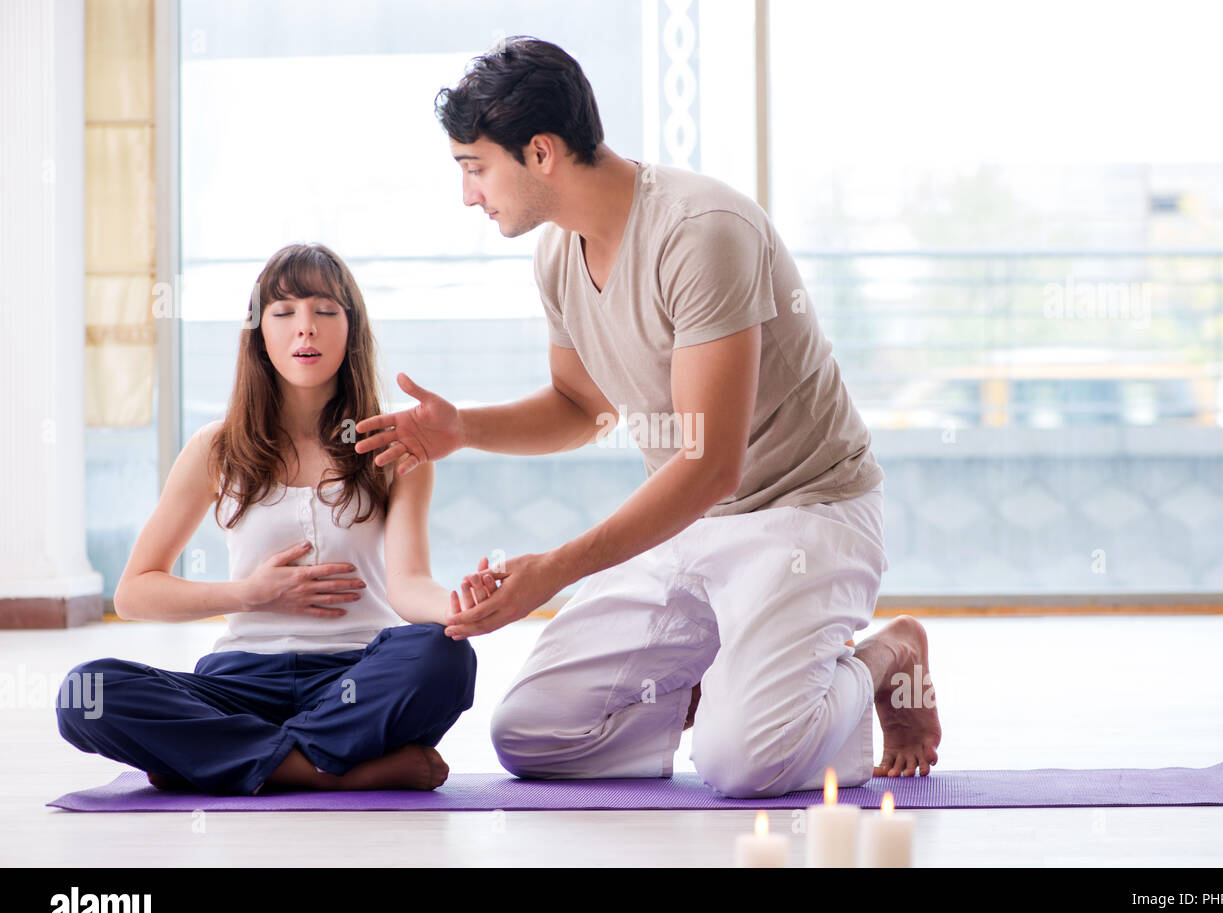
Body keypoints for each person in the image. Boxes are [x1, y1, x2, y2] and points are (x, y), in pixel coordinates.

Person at [355, 37, 940, 798]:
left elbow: (710, 462)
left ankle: (885, 656)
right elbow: (582, 406)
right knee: (532, 730)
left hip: (802, 510)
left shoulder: (702, 232)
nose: (470, 193)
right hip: (690, 523)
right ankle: (725, 683)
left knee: (743, 763)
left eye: (475, 167)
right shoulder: (558, 253)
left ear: (539, 153)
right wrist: (462, 428)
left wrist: (551, 573)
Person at [56, 243, 477, 795]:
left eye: (326, 312)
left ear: (352, 329)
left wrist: (463, 608)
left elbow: (407, 584)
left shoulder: (391, 447)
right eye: (284, 313)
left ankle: (230, 758)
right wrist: (250, 594)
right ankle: (326, 772)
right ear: (259, 332)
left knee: (443, 654)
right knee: (88, 693)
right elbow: (135, 592)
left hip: (350, 680)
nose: (306, 329)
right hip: (240, 684)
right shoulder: (216, 447)